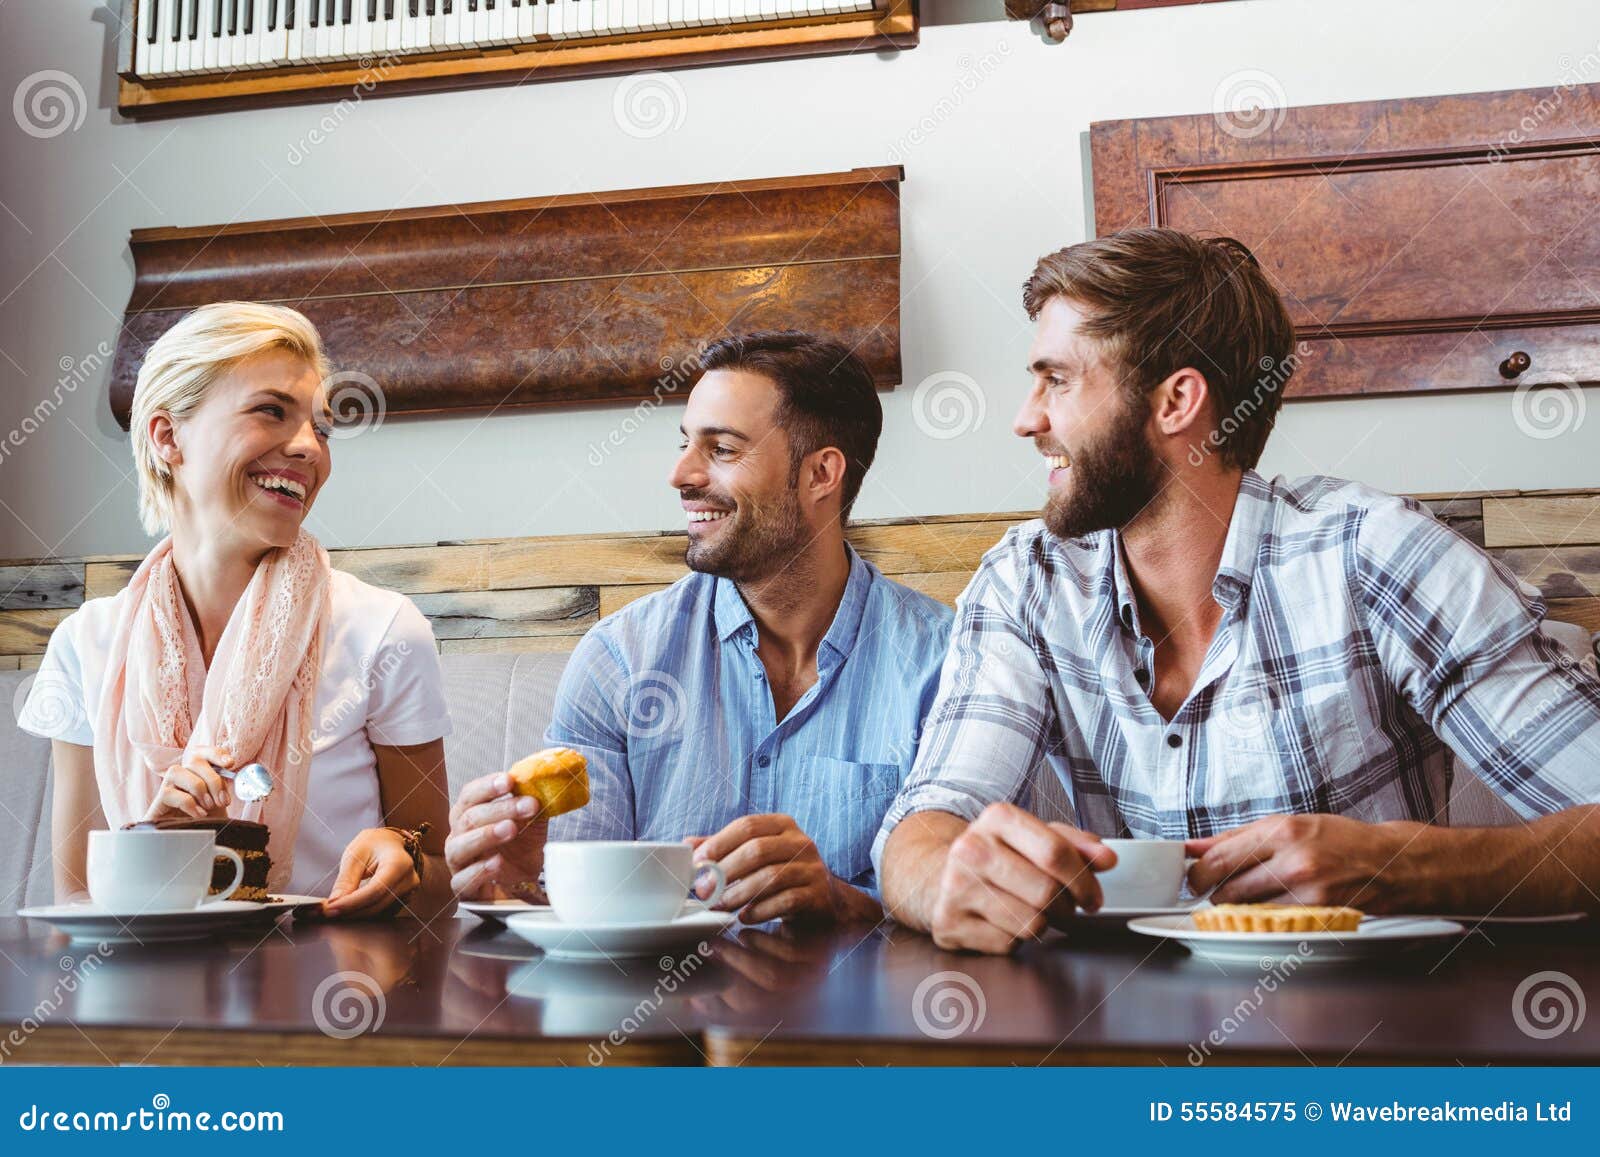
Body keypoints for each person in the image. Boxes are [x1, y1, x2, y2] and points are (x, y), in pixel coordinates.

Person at [875, 228, 1600, 954]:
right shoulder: (1028, 580)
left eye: (1057, 380)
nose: (1026, 418)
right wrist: (944, 877)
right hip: (1121, 1043)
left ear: (1176, 401)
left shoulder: (1375, 552)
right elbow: (926, 822)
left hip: (1376, 1037)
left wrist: (1403, 865)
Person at [446, 331, 952, 924]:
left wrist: (843, 906)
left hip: (864, 1013)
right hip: (658, 1016)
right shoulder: (620, 661)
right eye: (687, 443)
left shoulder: (945, 663)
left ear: (821, 474)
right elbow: (587, 912)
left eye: (723, 449)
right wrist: (520, 890)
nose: (681, 474)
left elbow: (978, 917)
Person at [18, 302, 453, 918]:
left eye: (322, 428)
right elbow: (76, 903)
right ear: (168, 437)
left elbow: (440, 888)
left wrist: (407, 859)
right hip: (143, 1002)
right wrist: (159, 851)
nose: (309, 448)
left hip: (328, 992)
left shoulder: (382, 631)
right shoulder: (84, 644)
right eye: (271, 411)